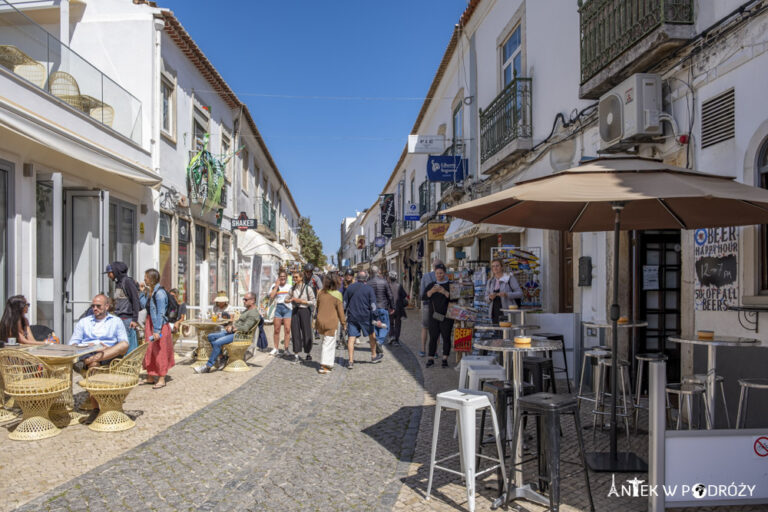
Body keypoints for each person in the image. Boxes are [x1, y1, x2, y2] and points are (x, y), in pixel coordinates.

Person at [194, 292, 261, 374]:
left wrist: (233, 328)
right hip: (234, 332)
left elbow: (246, 328)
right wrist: (230, 327)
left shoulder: (254, 313)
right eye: (243, 299)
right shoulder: (247, 310)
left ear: (252, 300)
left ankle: (207, 366)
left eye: (245, 299)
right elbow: (239, 323)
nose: (243, 301)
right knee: (211, 336)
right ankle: (222, 358)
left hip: (240, 336)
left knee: (217, 342)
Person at [68, 294, 129, 369]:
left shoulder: (116, 321)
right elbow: (72, 344)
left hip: (108, 353)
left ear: (106, 306)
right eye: (93, 306)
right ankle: (90, 363)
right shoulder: (84, 322)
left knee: (124, 344)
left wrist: (108, 349)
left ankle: (86, 362)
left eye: (98, 306)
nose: (95, 308)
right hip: (88, 352)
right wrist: (87, 347)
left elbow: (124, 344)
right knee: (94, 365)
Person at [139, 268, 174, 389]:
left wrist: (157, 331)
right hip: (151, 324)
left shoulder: (160, 293)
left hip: (159, 326)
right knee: (149, 350)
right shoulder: (151, 291)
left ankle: (161, 378)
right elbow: (144, 306)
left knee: (160, 351)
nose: (144, 279)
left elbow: (161, 313)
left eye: (146, 277)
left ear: (152, 278)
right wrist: (142, 292)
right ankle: (150, 376)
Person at [343, 270, 382, 369]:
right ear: (366, 279)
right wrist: (376, 317)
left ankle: (350, 361)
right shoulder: (369, 289)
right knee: (371, 336)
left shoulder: (350, 288)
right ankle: (373, 356)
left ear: (356, 278)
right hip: (366, 316)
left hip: (353, 316)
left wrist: (343, 316)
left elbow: (344, 304)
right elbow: (373, 305)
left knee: (351, 338)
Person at [422, 263, 455, 368]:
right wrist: (431, 291)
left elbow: (455, 298)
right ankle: (430, 358)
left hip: (447, 316)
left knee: (446, 337)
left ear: (444, 273)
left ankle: (445, 358)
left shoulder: (450, 285)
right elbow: (423, 297)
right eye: (437, 273)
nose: (439, 275)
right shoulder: (431, 285)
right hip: (434, 316)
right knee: (433, 337)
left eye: (441, 273)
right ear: (434, 274)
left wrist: (444, 291)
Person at [105, 262, 141, 354]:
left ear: (116, 271)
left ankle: (129, 366)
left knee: (128, 345)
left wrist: (134, 319)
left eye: (110, 273)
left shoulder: (127, 281)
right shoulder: (118, 283)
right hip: (120, 319)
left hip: (127, 320)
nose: (108, 275)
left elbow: (135, 299)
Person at [315, 274, 346, 374]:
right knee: (328, 344)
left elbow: (318, 306)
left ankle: (328, 363)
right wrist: (343, 323)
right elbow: (341, 311)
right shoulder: (337, 294)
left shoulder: (320, 293)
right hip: (331, 322)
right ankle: (324, 365)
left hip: (320, 321)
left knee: (325, 342)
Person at [485, 258, 523, 323]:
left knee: (507, 332)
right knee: (497, 332)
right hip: (494, 313)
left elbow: (520, 293)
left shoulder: (509, 278)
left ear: (502, 267)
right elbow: (486, 297)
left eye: (497, 266)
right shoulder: (490, 281)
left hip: (507, 313)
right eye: (493, 266)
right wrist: (490, 298)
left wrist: (507, 294)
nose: (495, 268)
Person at [288, 270, 315, 363]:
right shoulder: (292, 288)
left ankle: (308, 353)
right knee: (295, 332)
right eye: (293, 277)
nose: (294, 279)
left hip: (304, 310)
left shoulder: (308, 288)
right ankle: (296, 354)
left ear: (301, 277)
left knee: (306, 331)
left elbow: (313, 301)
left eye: (296, 277)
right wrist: (290, 300)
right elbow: (286, 299)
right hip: (295, 310)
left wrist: (302, 301)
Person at [419, 258, 443, 357]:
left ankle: (423, 350)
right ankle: (435, 352)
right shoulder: (444, 277)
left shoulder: (425, 276)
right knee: (437, 329)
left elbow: (421, 294)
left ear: (433, 266)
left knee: (425, 328)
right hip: (439, 307)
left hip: (427, 306)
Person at [368, 265, 394, 349]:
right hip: (383, 307)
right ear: (378, 271)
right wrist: (392, 306)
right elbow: (390, 295)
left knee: (375, 326)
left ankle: (377, 342)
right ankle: (380, 341)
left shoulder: (368, 283)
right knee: (385, 326)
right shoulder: (384, 282)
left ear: (371, 273)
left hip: (372, 309)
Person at [268, 270, 293, 356]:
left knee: (287, 329)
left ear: (286, 278)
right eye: (281, 277)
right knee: (277, 329)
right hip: (278, 308)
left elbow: (293, 297)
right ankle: (276, 348)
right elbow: (271, 296)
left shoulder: (290, 286)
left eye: (284, 277)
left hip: (287, 308)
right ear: (278, 278)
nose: (282, 279)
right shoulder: (274, 286)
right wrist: (276, 286)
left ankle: (286, 349)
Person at [388, 271, 408, 347]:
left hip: (389, 308)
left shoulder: (387, 286)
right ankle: (396, 340)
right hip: (398, 308)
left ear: (389, 278)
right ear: (396, 278)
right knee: (398, 324)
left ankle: (391, 337)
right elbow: (404, 296)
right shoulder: (399, 286)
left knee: (390, 323)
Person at [303, 263, 322, 340]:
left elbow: (321, 288)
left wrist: (318, 299)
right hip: (304, 300)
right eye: (307, 271)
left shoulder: (316, 278)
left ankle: (316, 331)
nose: (308, 273)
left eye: (310, 271)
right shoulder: (302, 278)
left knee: (316, 315)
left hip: (314, 300)